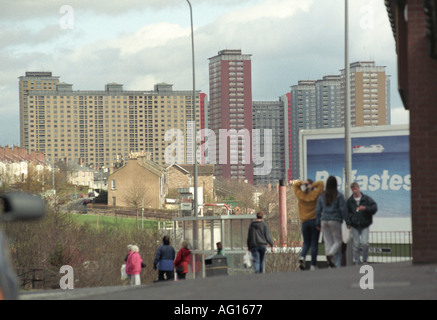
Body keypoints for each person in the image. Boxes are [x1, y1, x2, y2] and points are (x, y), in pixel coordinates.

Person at [316, 176, 347, 268]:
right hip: (335, 221)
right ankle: (331, 255)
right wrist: (348, 221)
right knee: (338, 242)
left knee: (328, 242)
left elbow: (318, 210)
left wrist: (317, 223)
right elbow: (343, 209)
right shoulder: (339, 195)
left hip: (323, 221)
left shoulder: (322, 196)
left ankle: (331, 264)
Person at [293, 179, 324, 271]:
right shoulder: (315, 195)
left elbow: (295, 185)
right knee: (314, 243)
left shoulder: (300, 195)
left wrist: (302, 183)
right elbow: (321, 184)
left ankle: (302, 257)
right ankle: (313, 264)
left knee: (306, 242)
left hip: (304, 222)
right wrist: (312, 185)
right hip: (314, 221)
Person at [346, 182, 378, 265]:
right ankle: (357, 261)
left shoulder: (366, 199)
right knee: (356, 245)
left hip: (365, 224)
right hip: (354, 225)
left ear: (359, 188)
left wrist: (365, 208)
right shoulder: (350, 201)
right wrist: (348, 222)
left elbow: (374, 207)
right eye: (353, 189)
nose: (354, 191)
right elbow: (346, 213)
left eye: (355, 189)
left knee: (364, 243)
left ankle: (364, 259)